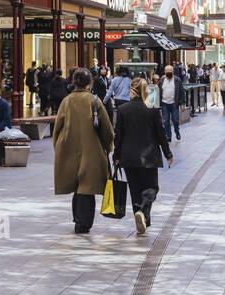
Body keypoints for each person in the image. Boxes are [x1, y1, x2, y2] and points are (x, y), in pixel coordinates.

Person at [52, 68, 114, 234]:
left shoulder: (67, 101)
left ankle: (78, 219)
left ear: (73, 82)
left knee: (77, 185)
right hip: (92, 149)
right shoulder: (94, 101)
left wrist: (58, 148)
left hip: (68, 148)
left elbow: (57, 128)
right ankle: (82, 223)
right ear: (90, 82)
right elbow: (107, 129)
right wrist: (108, 148)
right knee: (87, 187)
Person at [114, 77, 174, 235]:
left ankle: (141, 219)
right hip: (149, 156)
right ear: (146, 90)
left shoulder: (122, 109)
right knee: (151, 187)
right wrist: (168, 153)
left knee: (135, 189)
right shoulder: (152, 109)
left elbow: (118, 135)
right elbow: (161, 134)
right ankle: (142, 212)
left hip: (128, 157)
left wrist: (116, 155)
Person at [160, 63, 184, 141]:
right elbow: (158, 90)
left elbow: (181, 92)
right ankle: (168, 136)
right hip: (164, 104)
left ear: (173, 71)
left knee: (175, 120)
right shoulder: (162, 79)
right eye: (167, 71)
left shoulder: (177, 80)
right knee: (166, 121)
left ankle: (177, 132)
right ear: (164, 72)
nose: (168, 73)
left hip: (174, 103)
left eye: (170, 71)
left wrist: (182, 103)